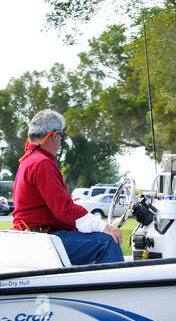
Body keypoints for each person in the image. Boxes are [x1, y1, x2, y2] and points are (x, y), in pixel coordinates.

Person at [12, 109, 123, 265]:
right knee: (107, 242)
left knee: (94, 239)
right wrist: (104, 226)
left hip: (33, 235)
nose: (59, 143)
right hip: (43, 239)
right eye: (61, 137)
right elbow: (64, 210)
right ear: (54, 136)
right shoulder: (42, 163)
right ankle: (115, 289)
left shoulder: (28, 161)